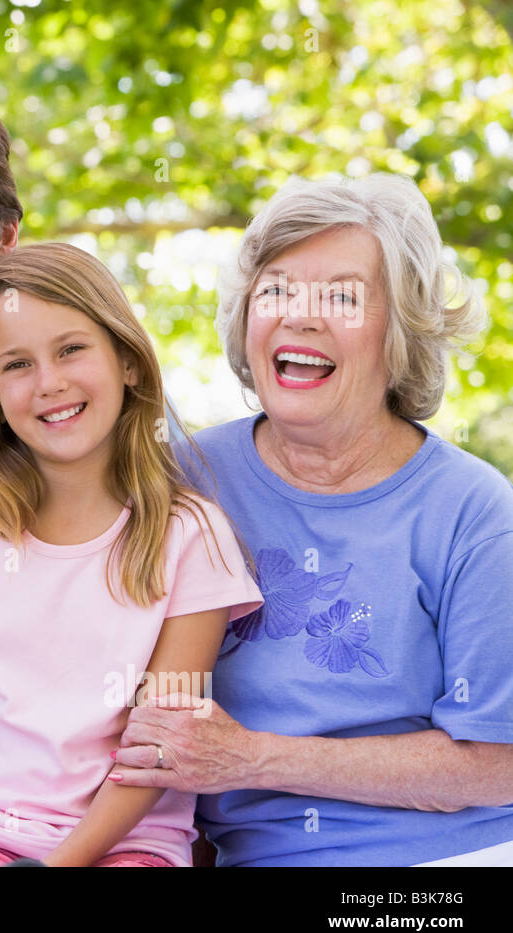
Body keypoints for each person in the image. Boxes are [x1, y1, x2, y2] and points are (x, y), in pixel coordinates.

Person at [111, 173, 513, 866]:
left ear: (401, 329)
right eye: (276, 289)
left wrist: (253, 760)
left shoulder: (475, 512)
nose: (301, 315)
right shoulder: (179, 481)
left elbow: (493, 762)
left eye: (342, 296)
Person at [0, 243, 260, 866]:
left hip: (125, 847)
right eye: (17, 364)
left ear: (128, 362)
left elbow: (156, 748)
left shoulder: (191, 537)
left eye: (71, 349)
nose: (49, 383)